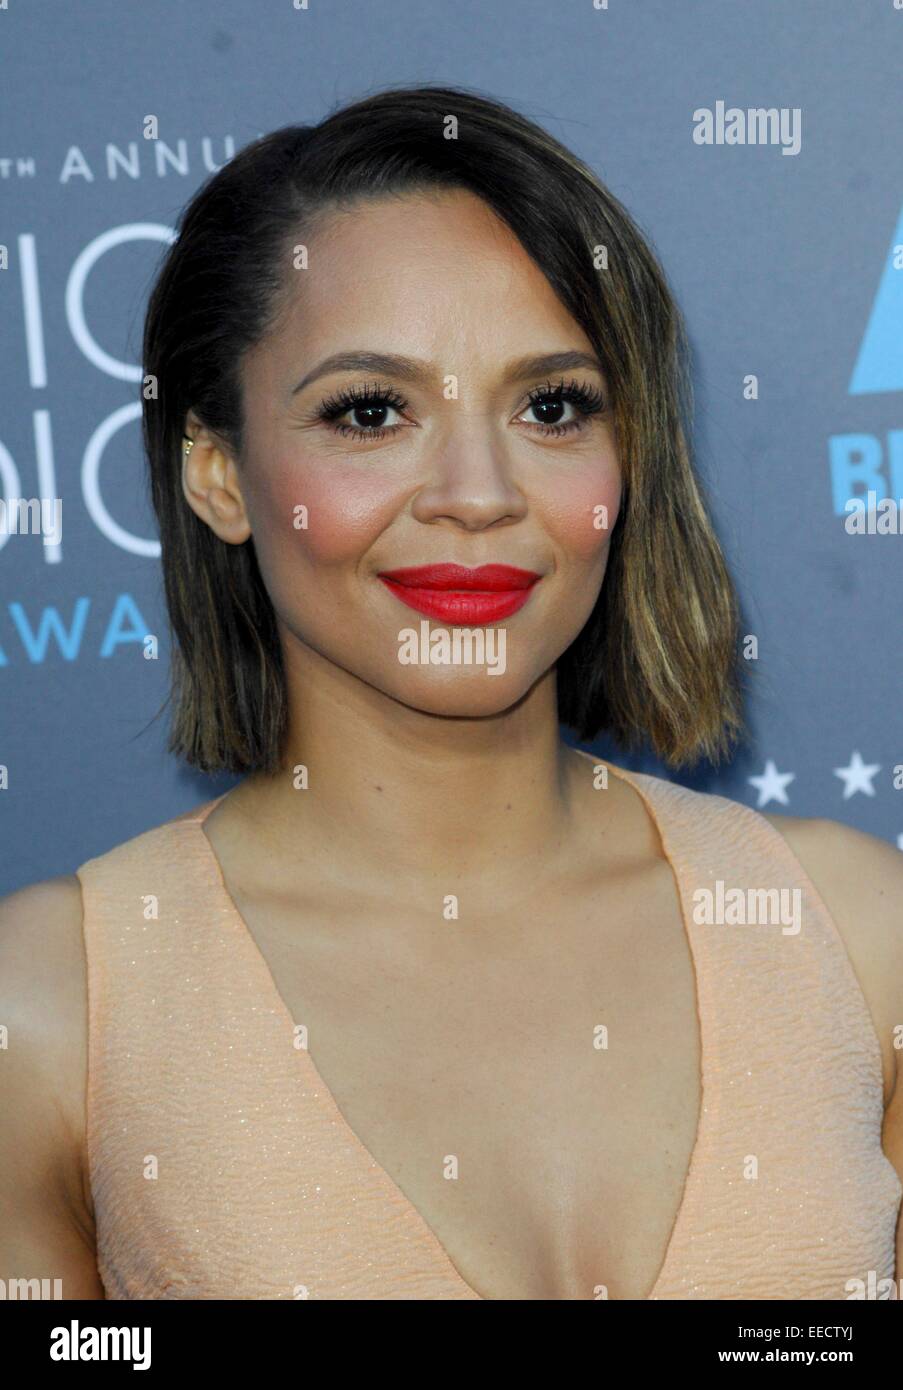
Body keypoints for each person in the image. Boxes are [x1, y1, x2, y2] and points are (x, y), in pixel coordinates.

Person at [2, 85, 901, 1302]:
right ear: (216, 473)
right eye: (371, 412)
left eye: (552, 406)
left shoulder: (855, 933)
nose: (476, 492)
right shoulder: (58, 1009)